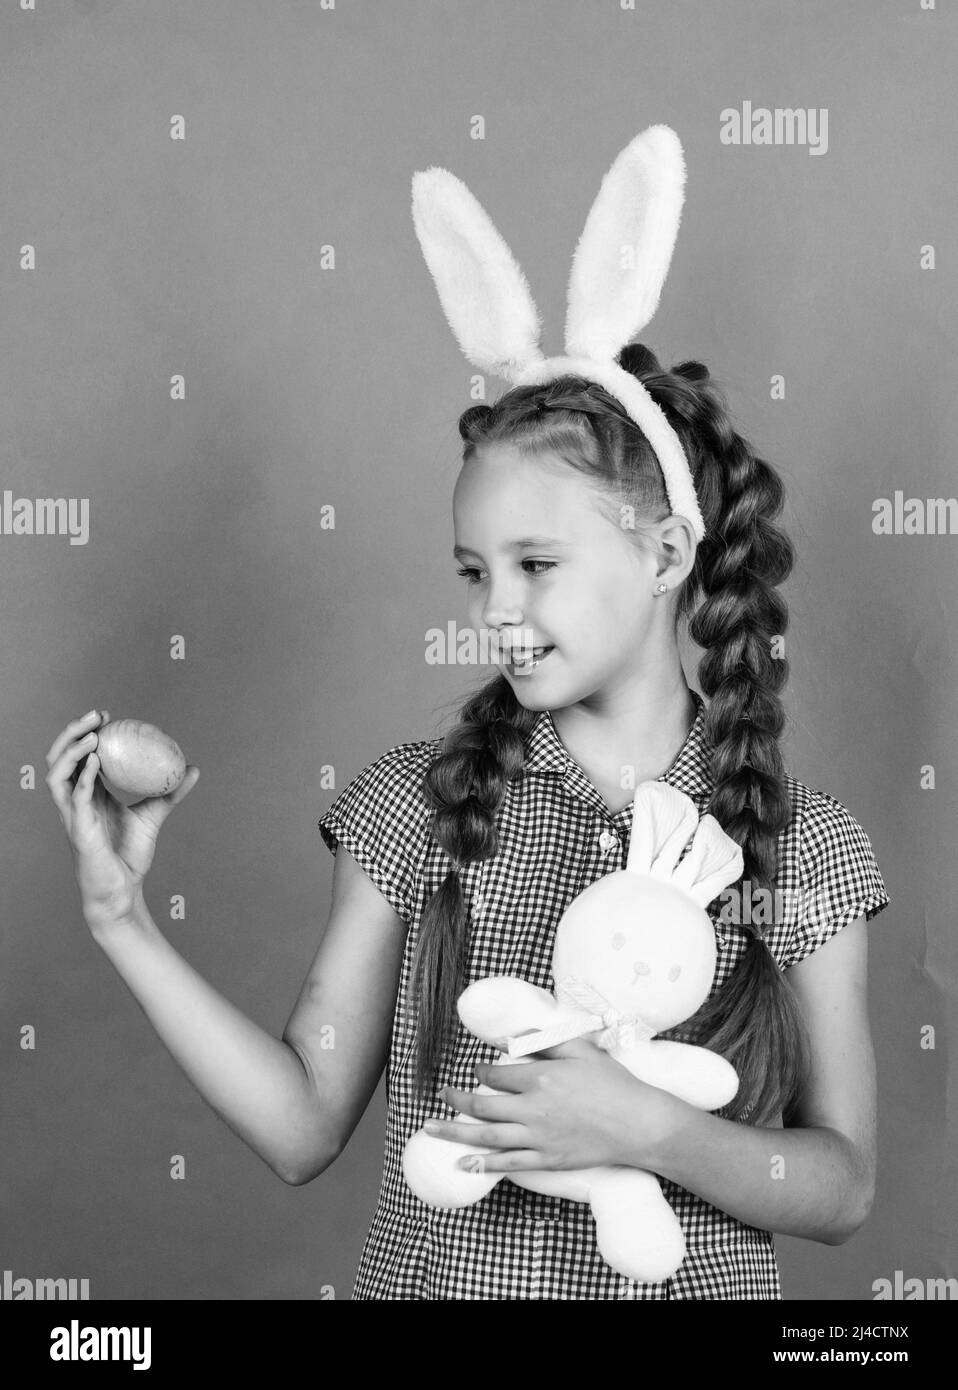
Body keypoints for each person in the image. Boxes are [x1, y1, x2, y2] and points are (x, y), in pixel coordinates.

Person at [46, 129, 889, 1301]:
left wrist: (652, 1131)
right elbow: (302, 1129)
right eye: (474, 572)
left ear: (664, 552)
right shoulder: (415, 804)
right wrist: (120, 917)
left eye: (536, 562)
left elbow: (841, 1188)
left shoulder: (804, 844)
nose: (497, 610)